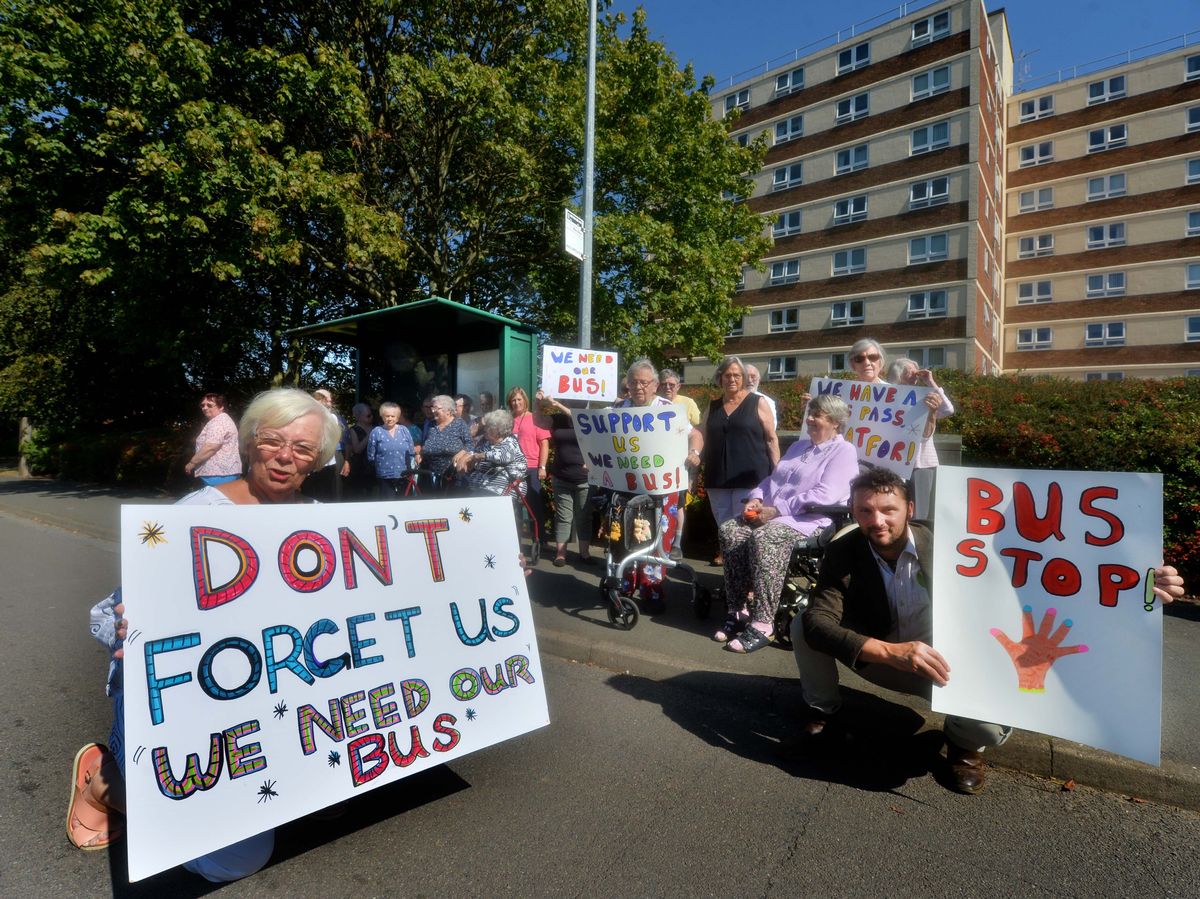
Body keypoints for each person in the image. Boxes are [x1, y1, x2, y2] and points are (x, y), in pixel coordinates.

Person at [67, 388, 342, 879]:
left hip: (271, 697)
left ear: (318, 460)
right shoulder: (196, 514)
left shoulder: (324, 519)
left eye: (302, 449)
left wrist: (483, 565)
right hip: (186, 704)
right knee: (233, 861)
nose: (284, 456)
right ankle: (107, 782)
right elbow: (104, 614)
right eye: (272, 440)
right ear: (251, 442)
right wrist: (128, 624)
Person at [794, 467, 1185, 794]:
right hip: (884, 654)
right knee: (801, 624)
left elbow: (1060, 573)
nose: (876, 520)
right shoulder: (844, 551)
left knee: (989, 725)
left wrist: (1140, 587)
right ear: (854, 510)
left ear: (909, 509)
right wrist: (886, 651)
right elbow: (819, 621)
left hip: (946, 661)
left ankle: (963, 748)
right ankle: (823, 708)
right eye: (865, 510)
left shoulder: (957, 541)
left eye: (888, 509)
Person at [716, 395, 857, 653]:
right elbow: (773, 481)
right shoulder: (798, 447)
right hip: (775, 514)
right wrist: (756, 498)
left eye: (818, 415)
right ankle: (739, 610)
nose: (810, 419)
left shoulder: (843, 452)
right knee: (730, 530)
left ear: (836, 422)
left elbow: (825, 495)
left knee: (765, 537)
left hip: (811, 522)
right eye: (810, 413)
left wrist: (777, 510)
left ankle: (763, 622)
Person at [612, 359, 704, 613]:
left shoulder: (668, 409)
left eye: (644, 382)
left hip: (662, 486)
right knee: (630, 535)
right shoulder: (619, 409)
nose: (638, 387)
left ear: (654, 385)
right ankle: (626, 582)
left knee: (658, 537)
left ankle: (652, 587)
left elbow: (694, 434)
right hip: (628, 485)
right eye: (633, 382)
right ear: (627, 385)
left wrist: (694, 452)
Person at [702, 356, 780, 552]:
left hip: (751, 479)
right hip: (718, 479)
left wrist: (778, 473)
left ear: (744, 378)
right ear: (720, 378)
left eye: (737, 375)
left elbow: (771, 439)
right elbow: (700, 434)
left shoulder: (758, 402)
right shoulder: (713, 406)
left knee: (747, 529)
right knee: (725, 531)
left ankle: (749, 580)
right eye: (727, 375)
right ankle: (731, 579)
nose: (732, 379)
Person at [887, 357, 954, 520]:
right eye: (910, 371)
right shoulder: (887, 396)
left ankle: (917, 542)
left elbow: (948, 410)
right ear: (898, 374)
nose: (915, 375)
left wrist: (930, 382)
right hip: (893, 461)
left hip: (921, 461)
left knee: (920, 512)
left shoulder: (924, 397)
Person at [538, 391, 595, 567]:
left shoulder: (588, 417)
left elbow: (577, 418)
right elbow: (538, 422)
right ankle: (560, 554)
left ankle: (584, 553)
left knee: (584, 517)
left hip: (584, 478)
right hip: (561, 476)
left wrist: (557, 405)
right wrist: (537, 402)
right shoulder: (557, 419)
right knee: (563, 517)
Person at [508, 387, 552, 539]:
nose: (516, 403)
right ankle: (516, 538)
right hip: (512, 468)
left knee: (534, 505)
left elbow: (544, 444)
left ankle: (539, 538)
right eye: (513, 400)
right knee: (513, 505)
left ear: (525, 400)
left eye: (519, 399)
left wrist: (542, 467)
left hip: (532, 467)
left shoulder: (534, 418)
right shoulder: (508, 421)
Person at [453, 409, 527, 495]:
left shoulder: (510, 442)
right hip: (481, 488)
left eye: (488, 427)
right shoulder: (488, 442)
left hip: (502, 488)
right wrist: (467, 460)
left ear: (498, 429)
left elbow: (500, 456)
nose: (485, 430)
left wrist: (478, 456)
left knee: (474, 500)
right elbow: (475, 453)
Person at [183, 393, 241, 485]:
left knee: (217, 499)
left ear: (221, 407)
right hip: (224, 472)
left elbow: (211, 447)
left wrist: (192, 463)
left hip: (218, 474)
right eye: (202, 405)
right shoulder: (223, 420)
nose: (205, 408)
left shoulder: (218, 422)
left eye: (209, 405)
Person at [419, 394, 473, 486]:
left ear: (448, 410)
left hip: (451, 476)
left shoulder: (459, 424)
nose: (432, 410)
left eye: (436, 408)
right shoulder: (431, 425)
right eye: (432, 407)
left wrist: (462, 453)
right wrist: (420, 453)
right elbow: (426, 444)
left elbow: (470, 444)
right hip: (429, 475)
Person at [367, 401, 417, 498]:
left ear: (398, 417)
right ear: (382, 416)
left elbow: (411, 451)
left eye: (393, 416)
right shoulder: (376, 431)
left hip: (404, 474)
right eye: (387, 416)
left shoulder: (404, 430)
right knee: (387, 503)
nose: (390, 418)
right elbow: (371, 454)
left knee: (404, 504)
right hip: (384, 474)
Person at [306, 388, 345, 500]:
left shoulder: (332, 417)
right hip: (310, 463)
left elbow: (331, 440)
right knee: (310, 494)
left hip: (327, 463)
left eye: (329, 400)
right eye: (324, 399)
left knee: (327, 496)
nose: (329, 402)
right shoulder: (306, 416)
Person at [341, 402, 375, 498]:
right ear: (358, 416)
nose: (371, 417)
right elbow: (357, 449)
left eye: (371, 414)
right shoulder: (354, 430)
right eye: (368, 416)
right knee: (359, 493)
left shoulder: (375, 428)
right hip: (360, 466)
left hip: (372, 466)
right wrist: (369, 436)